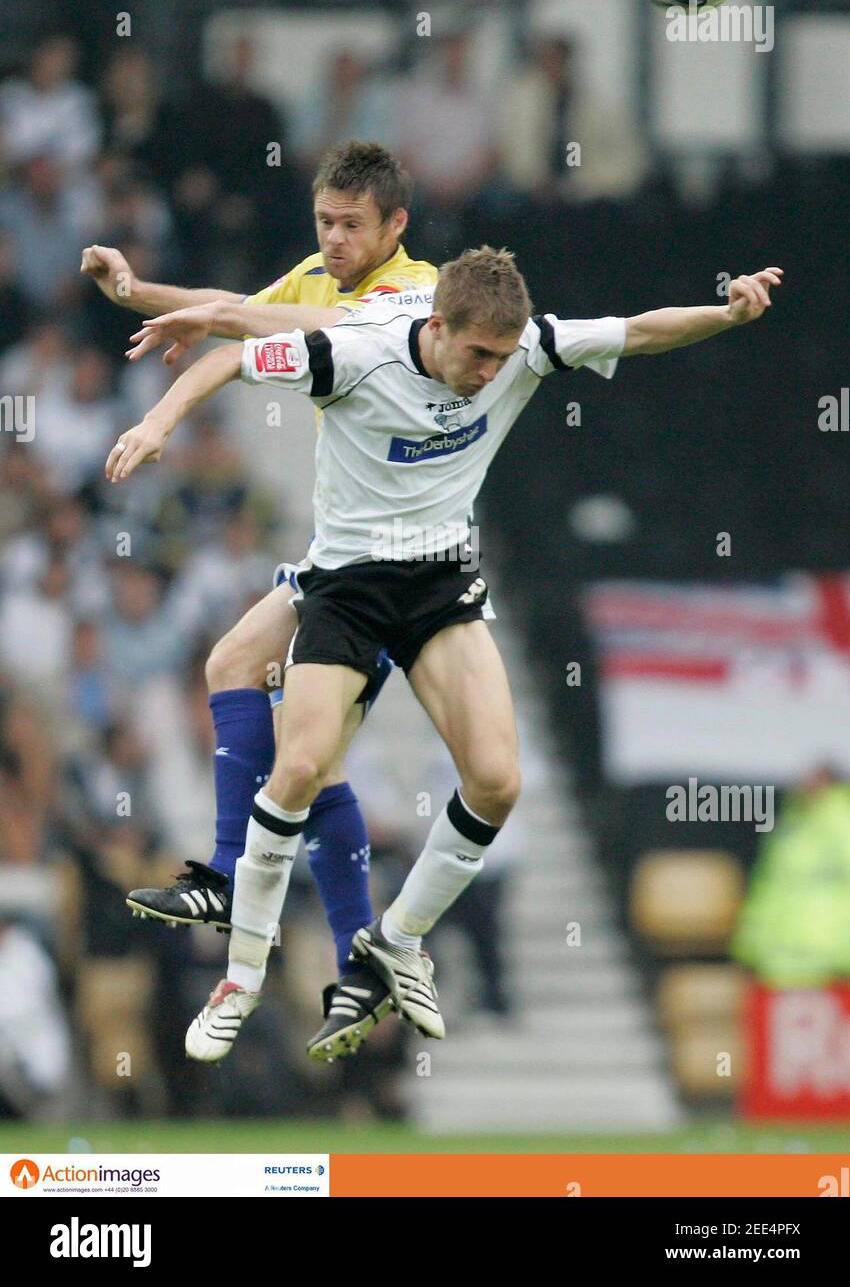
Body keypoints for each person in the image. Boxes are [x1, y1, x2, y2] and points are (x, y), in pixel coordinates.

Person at [106, 248, 783, 1061]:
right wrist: (155, 424)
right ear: (437, 327)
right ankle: (241, 978)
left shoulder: (525, 346)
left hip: (438, 587)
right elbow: (228, 356)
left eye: (503, 357)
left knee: (498, 781)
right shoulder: (354, 353)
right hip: (346, 587)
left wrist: (728, 314)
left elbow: (640, 333)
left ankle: (396, 940)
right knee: (297, 770)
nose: (491, 373)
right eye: (478, 355)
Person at [84, 141, 436, 1059]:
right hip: (339, 560)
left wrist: (196, 330)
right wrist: (137, 294)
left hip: (406, 569)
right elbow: (247, 314)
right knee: (246, 681)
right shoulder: (323, 276)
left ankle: (316, 934)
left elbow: (246, 323)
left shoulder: (417, 294)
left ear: (395, 227)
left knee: (313, 758)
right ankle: (283, 908)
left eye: (352, 225)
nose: (334, 240)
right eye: (324, 222)